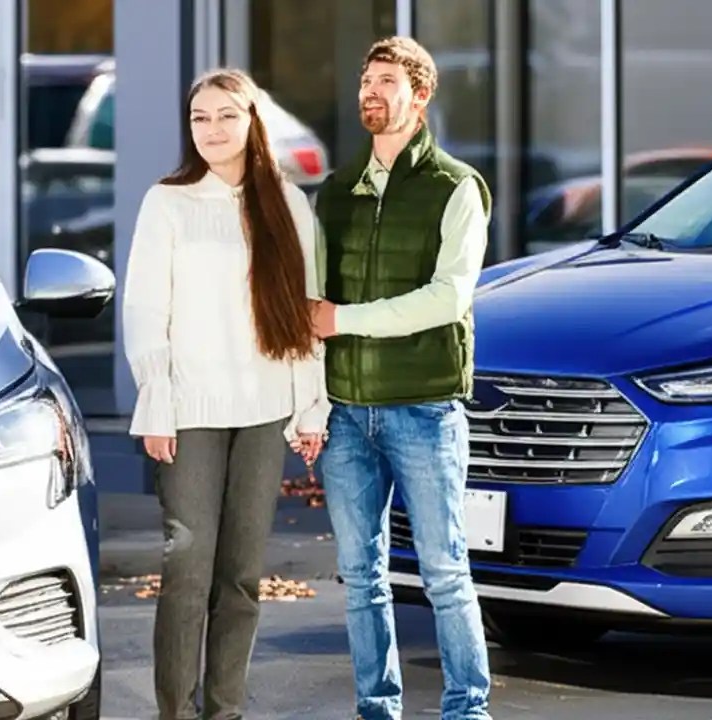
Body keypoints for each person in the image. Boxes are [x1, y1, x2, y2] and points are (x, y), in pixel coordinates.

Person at [121, 67, 331, 720]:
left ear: (252, 122)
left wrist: (309, 408)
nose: (210, 129)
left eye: (224, 116)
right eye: (199, 118)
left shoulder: (287, 204)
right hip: (188, 416)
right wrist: (156, 401)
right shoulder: (168, 201)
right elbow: (144, 310)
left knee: (240, 577)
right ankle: (175, 713)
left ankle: (225, 711)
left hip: (264, 413)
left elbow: (301, 317)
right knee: (187, 571)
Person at [309, 37, 493, 720]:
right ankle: (376, 709)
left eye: (386, 80)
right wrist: (310, 406)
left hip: (423, 409)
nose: (370, 92)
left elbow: (448, 299)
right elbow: (308, 310)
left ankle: (466, 709)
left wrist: (344, 320)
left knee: (445, 572)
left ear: (420, 96)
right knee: (361, 579)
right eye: (365, 79)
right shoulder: (336, 193)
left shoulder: (456, 188)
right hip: (346, 415)